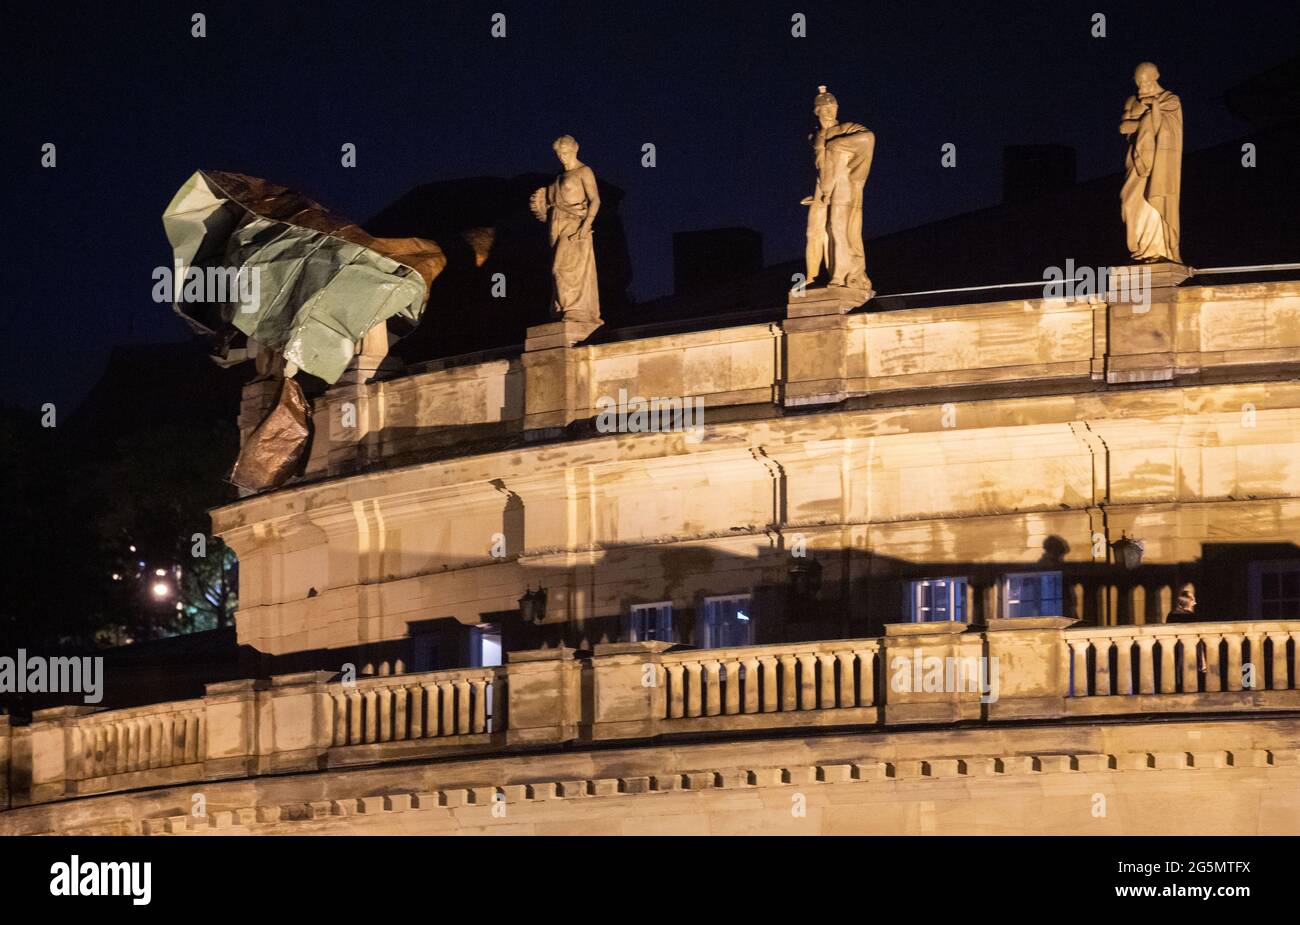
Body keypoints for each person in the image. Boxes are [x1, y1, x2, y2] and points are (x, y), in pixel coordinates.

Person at [530, 135, 601, 322]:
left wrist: (586, 225)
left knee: (561, 268)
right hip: (555, 225)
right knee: (558, 269)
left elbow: (595, 200)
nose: (562, 156)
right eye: (559, 153)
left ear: (574, 150)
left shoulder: (584, 171)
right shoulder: (558, 177)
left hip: (574, 223)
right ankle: (561, 309)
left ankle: (575, 308)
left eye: (566, 152)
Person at [1119, 62, 1183, 263]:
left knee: (1155, 200)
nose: (1141, 88)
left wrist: (1153, 113)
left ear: (1155, 77)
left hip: (1159, 163)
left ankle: (1156, 249)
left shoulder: (1170, 100)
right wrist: (1148, 120)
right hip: (1135, 161)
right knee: (1129, 202)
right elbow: (1123, 128)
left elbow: (1171, 130)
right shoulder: (1132, 101)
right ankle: (1139, 247)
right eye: (1138, 83)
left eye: (1145, 83)